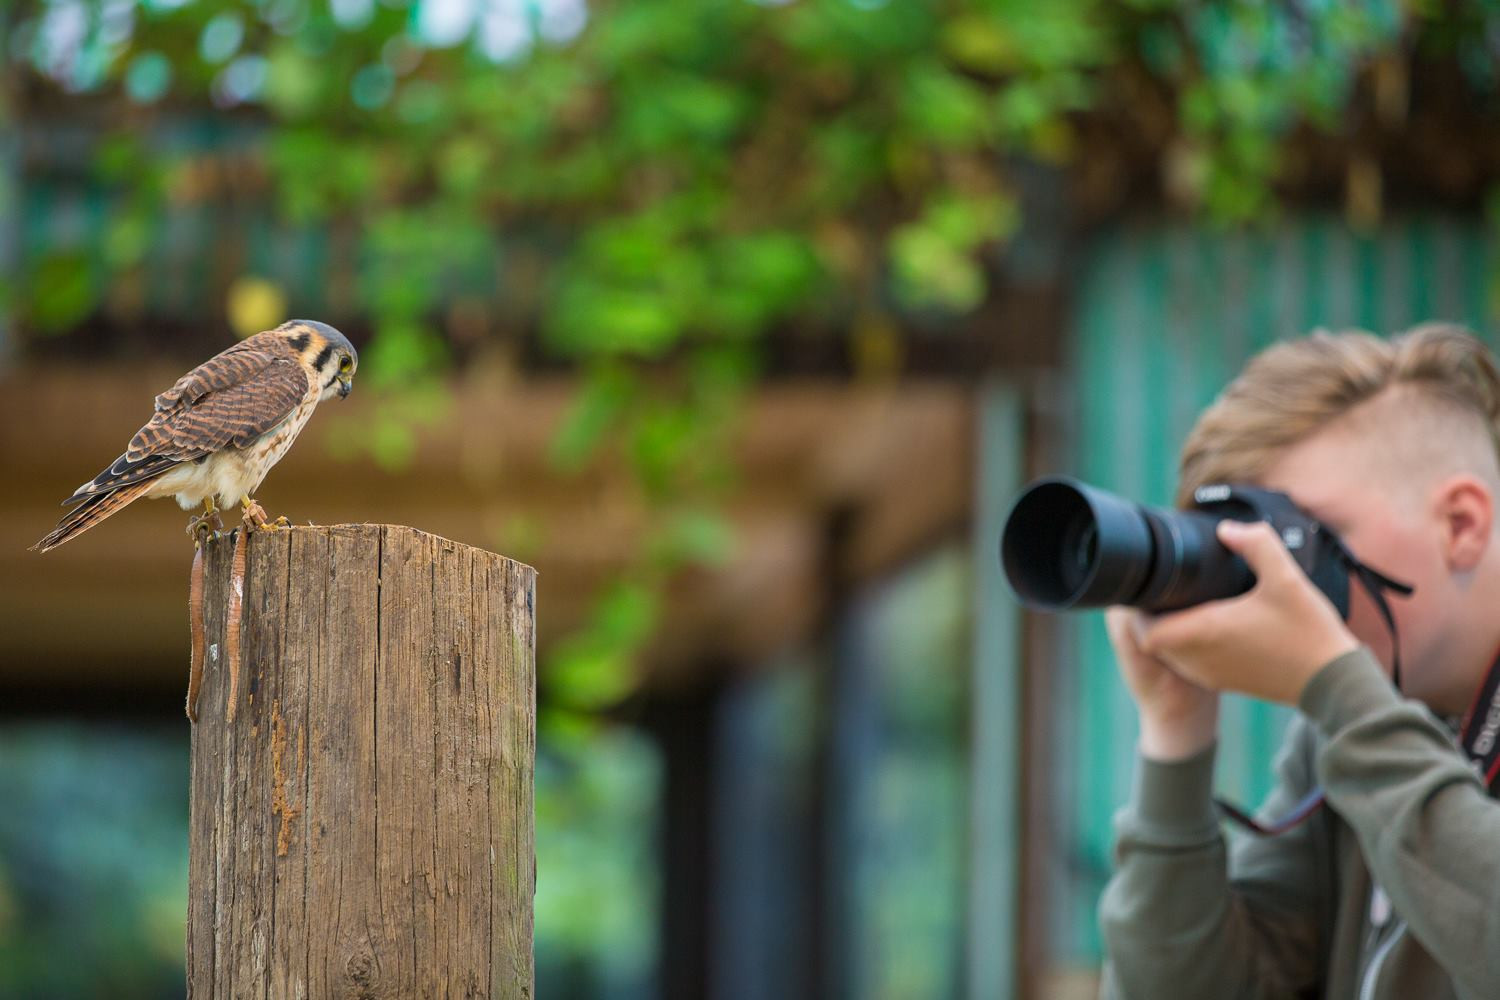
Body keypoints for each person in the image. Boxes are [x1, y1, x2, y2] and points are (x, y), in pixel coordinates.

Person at [1097, 323, 1500, 1000]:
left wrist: (1340, 692)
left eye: (1306, 537)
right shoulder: (1347, 733)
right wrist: (1176, 732)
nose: (1275, 581)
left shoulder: (1355, 720)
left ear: (1461, 524)